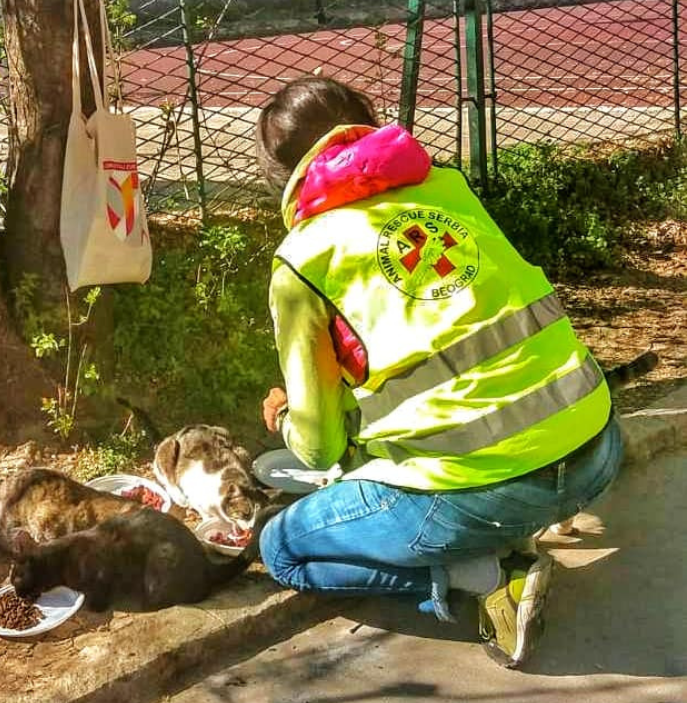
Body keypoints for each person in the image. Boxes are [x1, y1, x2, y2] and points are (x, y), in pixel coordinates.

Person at [254, 76, 623, 668]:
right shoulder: (449, 190)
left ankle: (480, 577)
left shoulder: (303, 259)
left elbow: (320, 451)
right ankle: (508, 527)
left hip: (486, 491)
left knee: (281, 549)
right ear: (368, 125)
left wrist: (288, 423)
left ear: (280, 171)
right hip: (597, 448)